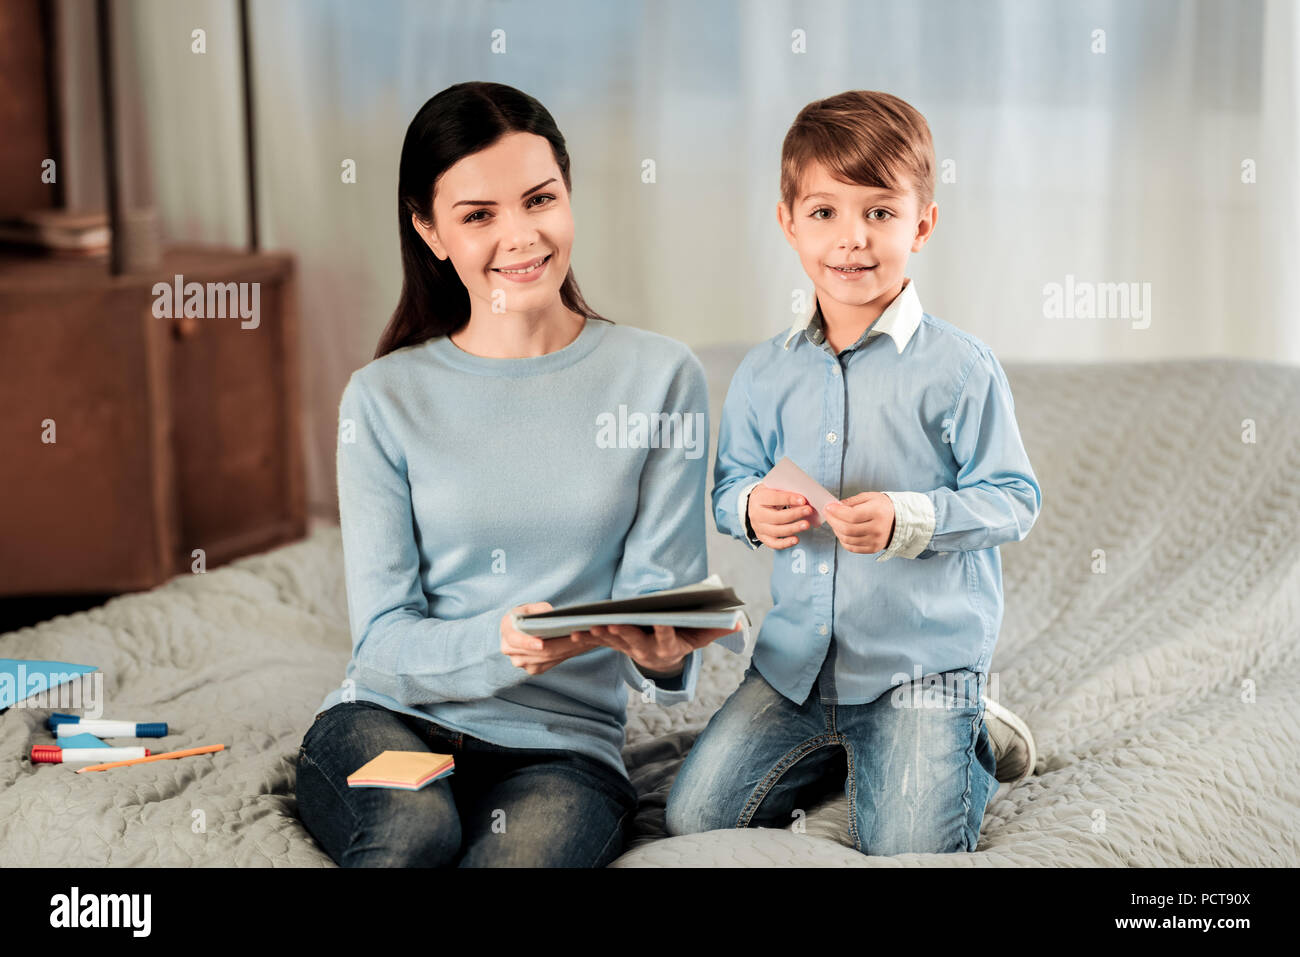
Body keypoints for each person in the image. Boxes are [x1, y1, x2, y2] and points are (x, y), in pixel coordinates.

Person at [295, 81, 737, 868]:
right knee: (410, 833)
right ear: (428, 230)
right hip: (392, 717)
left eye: (541, 199)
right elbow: (381, 643)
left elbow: (658, 601)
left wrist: (663, 651)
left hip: (563, 751)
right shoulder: (383, 397)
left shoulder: (661, 377)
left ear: (570, 195)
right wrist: (500, 646)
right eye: (478, 215)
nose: (521, 236)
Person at [666, 90, 1043, 855]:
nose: (852, 240)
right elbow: (729, 485)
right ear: (788, 222)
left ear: (922, 224)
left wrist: (913, 520)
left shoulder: (962, 369)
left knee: (906, 844)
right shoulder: (764, 372)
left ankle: (969, 731)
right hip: (796, 669)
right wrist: (750, 510)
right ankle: (851, 753)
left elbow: (1014, 499)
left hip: (919, 670)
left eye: (879, 212)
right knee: (693, 817)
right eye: (825, 213)